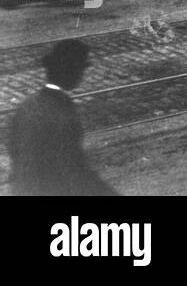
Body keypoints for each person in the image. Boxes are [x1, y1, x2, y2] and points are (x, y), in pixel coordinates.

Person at [7, 40, 116, 196]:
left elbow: (14, 149)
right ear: (71, 72)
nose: (81, 76)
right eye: (80, 70)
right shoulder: (62, 110)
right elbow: (75, 167)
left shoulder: (28, 104)